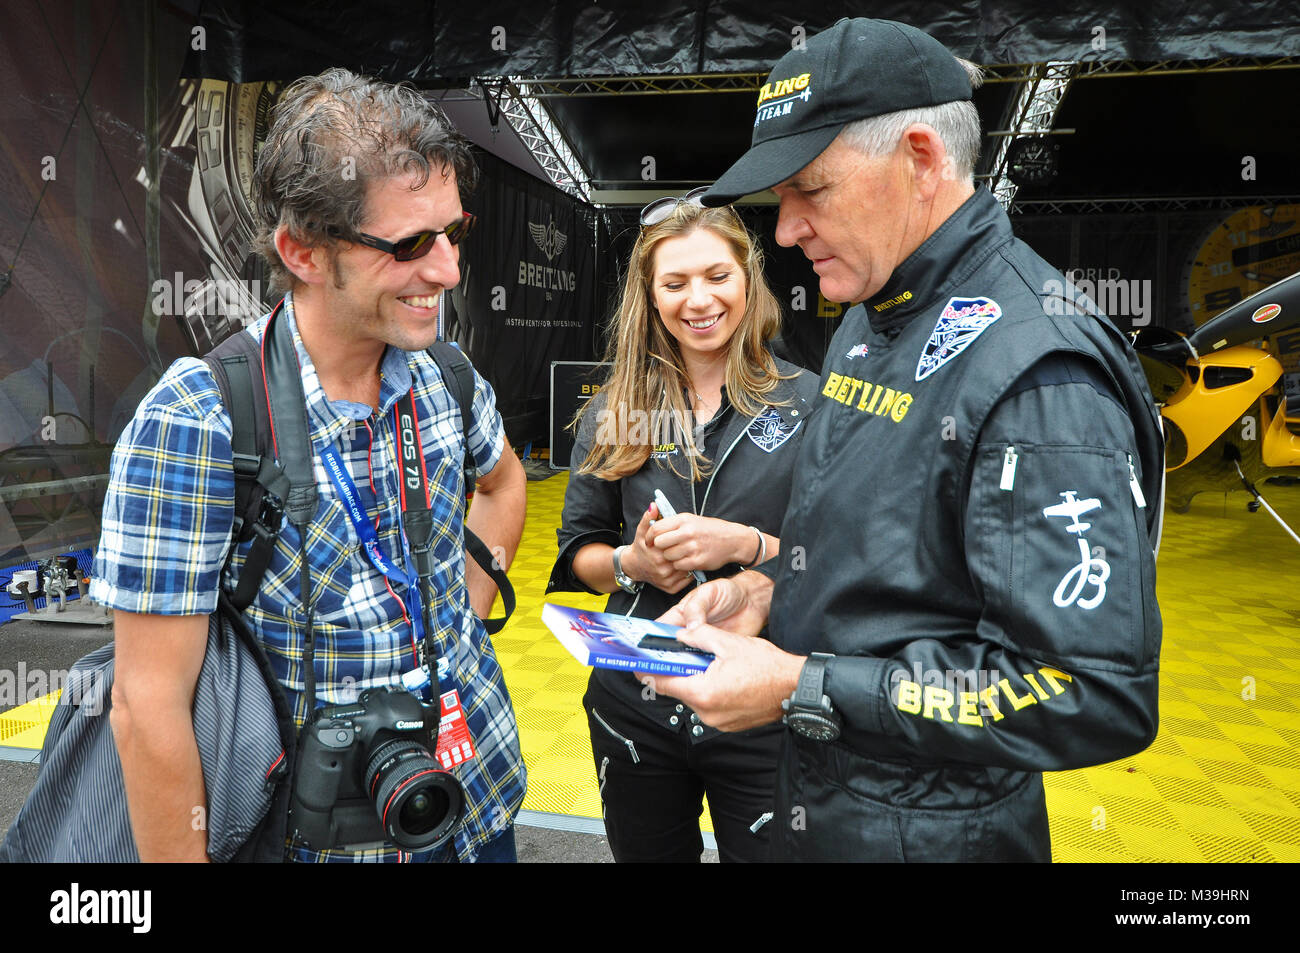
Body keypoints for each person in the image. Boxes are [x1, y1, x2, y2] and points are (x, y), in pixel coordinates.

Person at [651, 18, 1165, 862]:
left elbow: (1090, 690)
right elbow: (893, 553)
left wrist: (801, 683)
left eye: (808, 191)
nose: (783, 233)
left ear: (921, 159)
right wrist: (770, 593)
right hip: (825, 806)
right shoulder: (871, 311)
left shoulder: (1040, 372)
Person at [91, 68, 527, 862]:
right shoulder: (199, 419)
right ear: (302, 251)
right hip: (314, 839)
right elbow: (145, 705)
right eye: (409, 245)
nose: (449, 272)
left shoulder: (447, 378)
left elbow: (503, 481)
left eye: (453, 233)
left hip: (471, 805)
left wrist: (455, 616)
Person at [547, 193, 818, 861]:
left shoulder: (812, 401)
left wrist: (747, 545)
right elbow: (580, 549)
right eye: (675, 283)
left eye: (716, 276)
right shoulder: (616, 408)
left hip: (762, 704)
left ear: (748, 279)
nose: (699, 299)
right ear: (652, 295)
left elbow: (841, 552)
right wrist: (631, 564)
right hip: (634, 702)